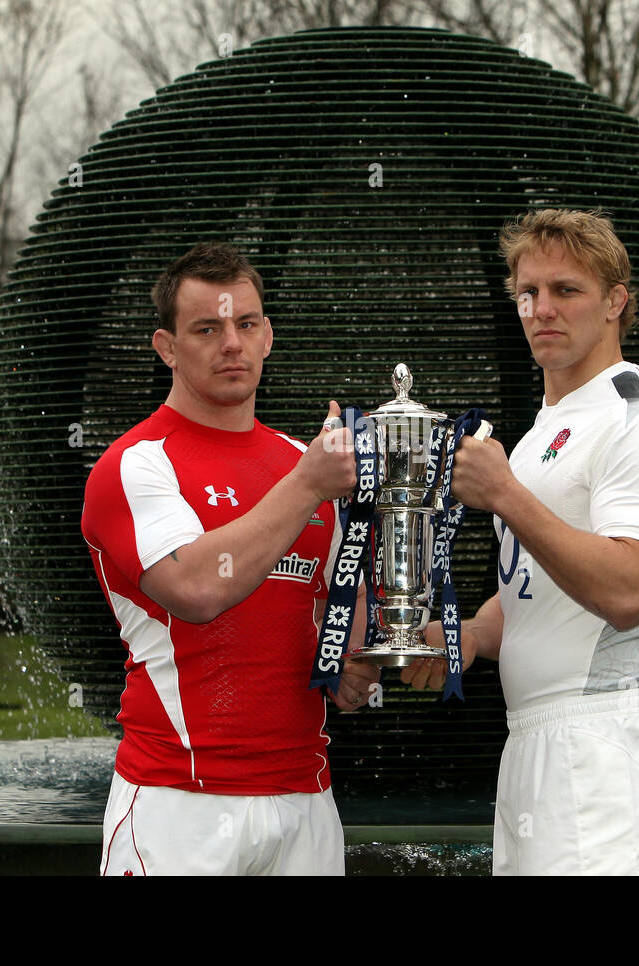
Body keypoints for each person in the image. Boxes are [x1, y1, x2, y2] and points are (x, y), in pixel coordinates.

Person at [403, 208, 639, 875]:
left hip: (603, 738)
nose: (542, 309)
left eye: (567, 290)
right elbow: (535, 584)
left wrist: (506, 494)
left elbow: (628, 589)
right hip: (537, 740)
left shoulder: (638, 424)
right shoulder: (545, 431)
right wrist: (471, 635)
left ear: (615, 302)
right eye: (528, 293)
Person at [81, 242, 377, 876]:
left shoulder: (306, 463)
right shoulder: (136, 462)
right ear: (166, 347)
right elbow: (195, 588)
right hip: (179, 803)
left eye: (245, 325)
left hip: (305, 799)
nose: (232, 345)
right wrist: (305, 486)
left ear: (268, 335)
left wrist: (357, 661)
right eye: (207, 329)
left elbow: (337, 621)